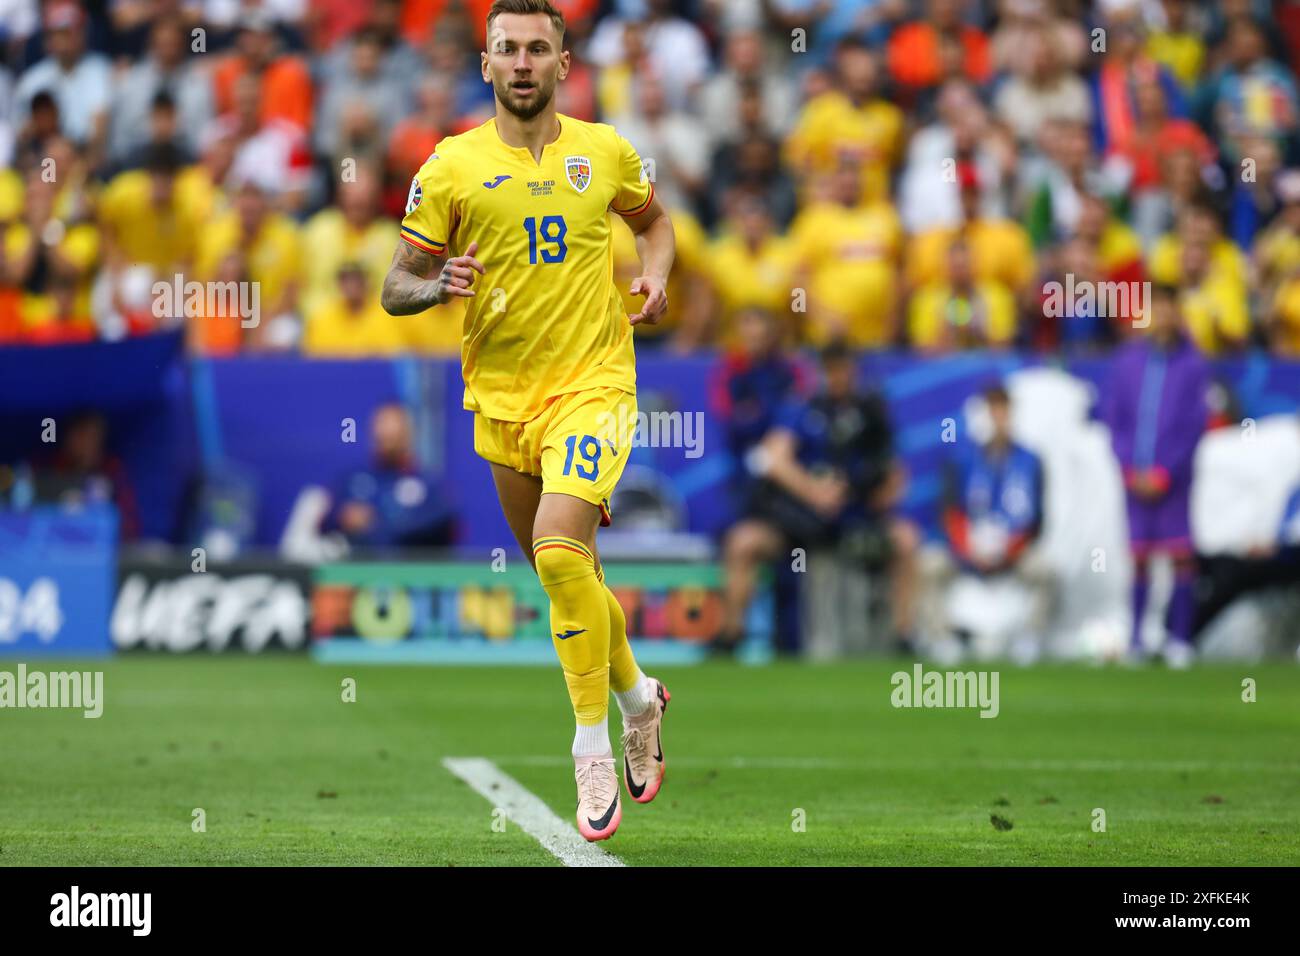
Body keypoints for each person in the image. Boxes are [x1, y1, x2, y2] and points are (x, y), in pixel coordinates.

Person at [380, 0, 676, 842]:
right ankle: (638, 696)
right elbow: (393, 286)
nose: (520, 62)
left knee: (554, 546)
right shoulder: (449, 168)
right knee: (567, 569)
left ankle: (590, 745)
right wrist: (437, 286)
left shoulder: (607, 151)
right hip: (503, 401)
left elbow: (657, 229)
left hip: (595, 385)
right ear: (486, 65)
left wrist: (656, 278)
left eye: (536, 48)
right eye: (505, 48)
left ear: (562, 62)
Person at [715, 342, 919, 654]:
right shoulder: (803, 408)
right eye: (831, 369)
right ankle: (731, 635)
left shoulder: (871, 413)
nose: (837, 376)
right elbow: (773, 458)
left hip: (854, 519)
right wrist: (813, 491)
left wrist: (868, 494)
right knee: (743, 542)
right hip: (801, 522)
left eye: (843, 368)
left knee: (906, 540)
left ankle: (903, 637)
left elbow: (894, 475)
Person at [1102, 284, 1210, 666]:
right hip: (1135, 478)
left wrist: (1167, 471)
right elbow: (1115, 419)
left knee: (1180, 556)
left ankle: (1179, 638)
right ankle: (1136, 638)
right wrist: (1129, 467)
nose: (1162, 316)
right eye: (1156, 308)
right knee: (1139, 558)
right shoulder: (1129, 361)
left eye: (1168, 308)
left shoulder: (1193, 364)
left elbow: (1194, 424)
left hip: (1173, 480)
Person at [328, 404, 455, 550]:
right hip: (357, 567)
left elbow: (437, 527)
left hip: (409, 569)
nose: (385, 435)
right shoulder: (354, 480)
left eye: (393, 435)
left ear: (408, 435)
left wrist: (375, 524)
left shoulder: (428, 486)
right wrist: (344, 518)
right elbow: (328, 521)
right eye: (381, 433)